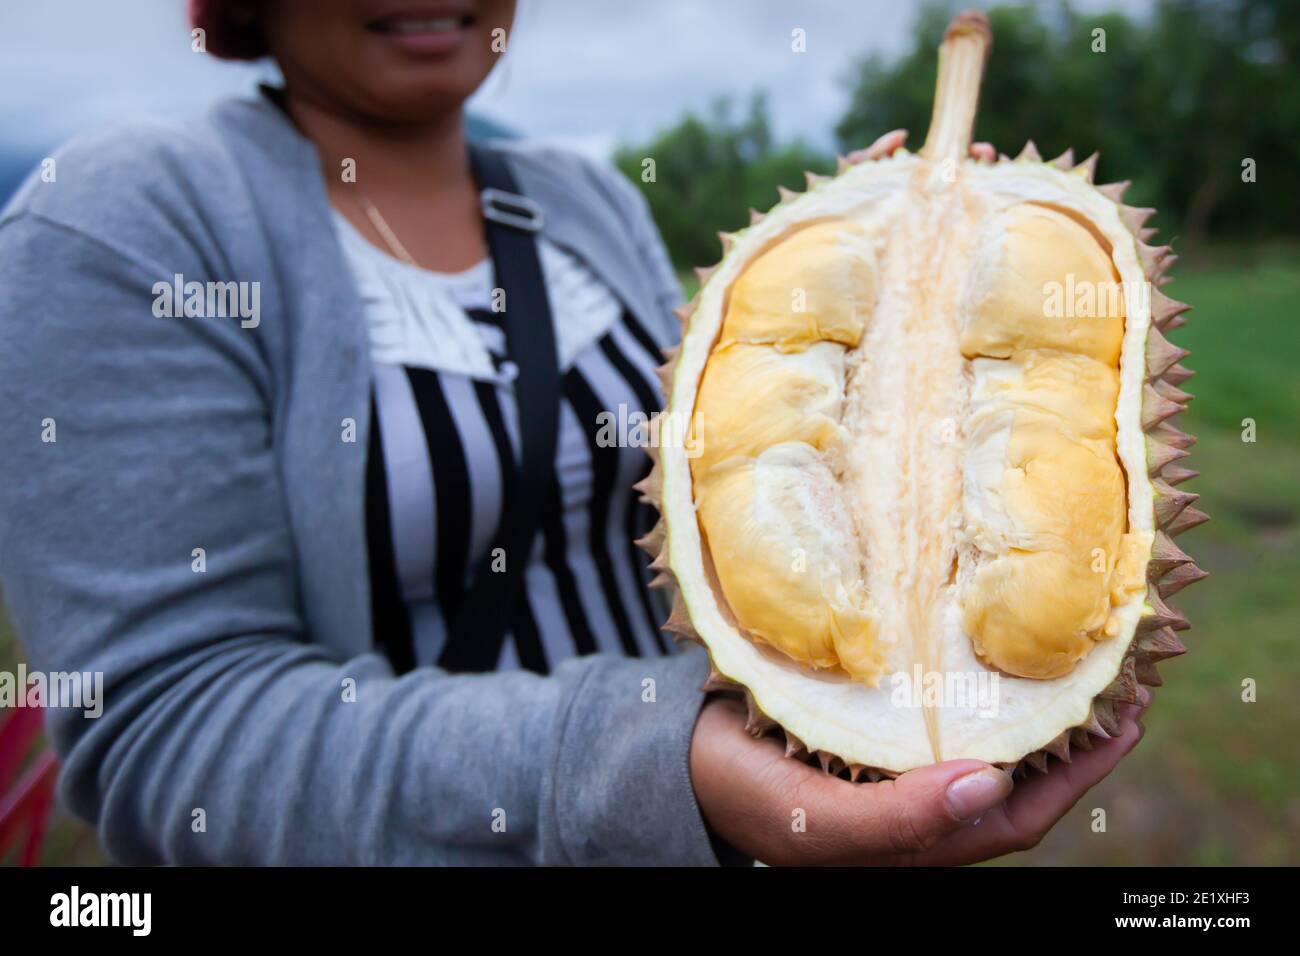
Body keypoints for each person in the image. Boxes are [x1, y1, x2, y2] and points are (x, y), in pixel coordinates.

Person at [0, 0, 1147, 866]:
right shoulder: (124, 221)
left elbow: (730, 470)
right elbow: (173, 733)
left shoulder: (578, 197)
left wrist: (901, 285)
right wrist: (651, 770)